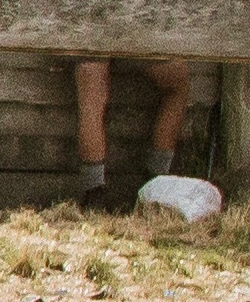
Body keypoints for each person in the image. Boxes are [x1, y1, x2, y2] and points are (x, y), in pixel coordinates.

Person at [72, 53, 194, 211]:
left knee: (91, 99)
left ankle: (94, 194)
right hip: (131, 36)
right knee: (177, 82)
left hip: (88, 35)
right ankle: (156, 182)